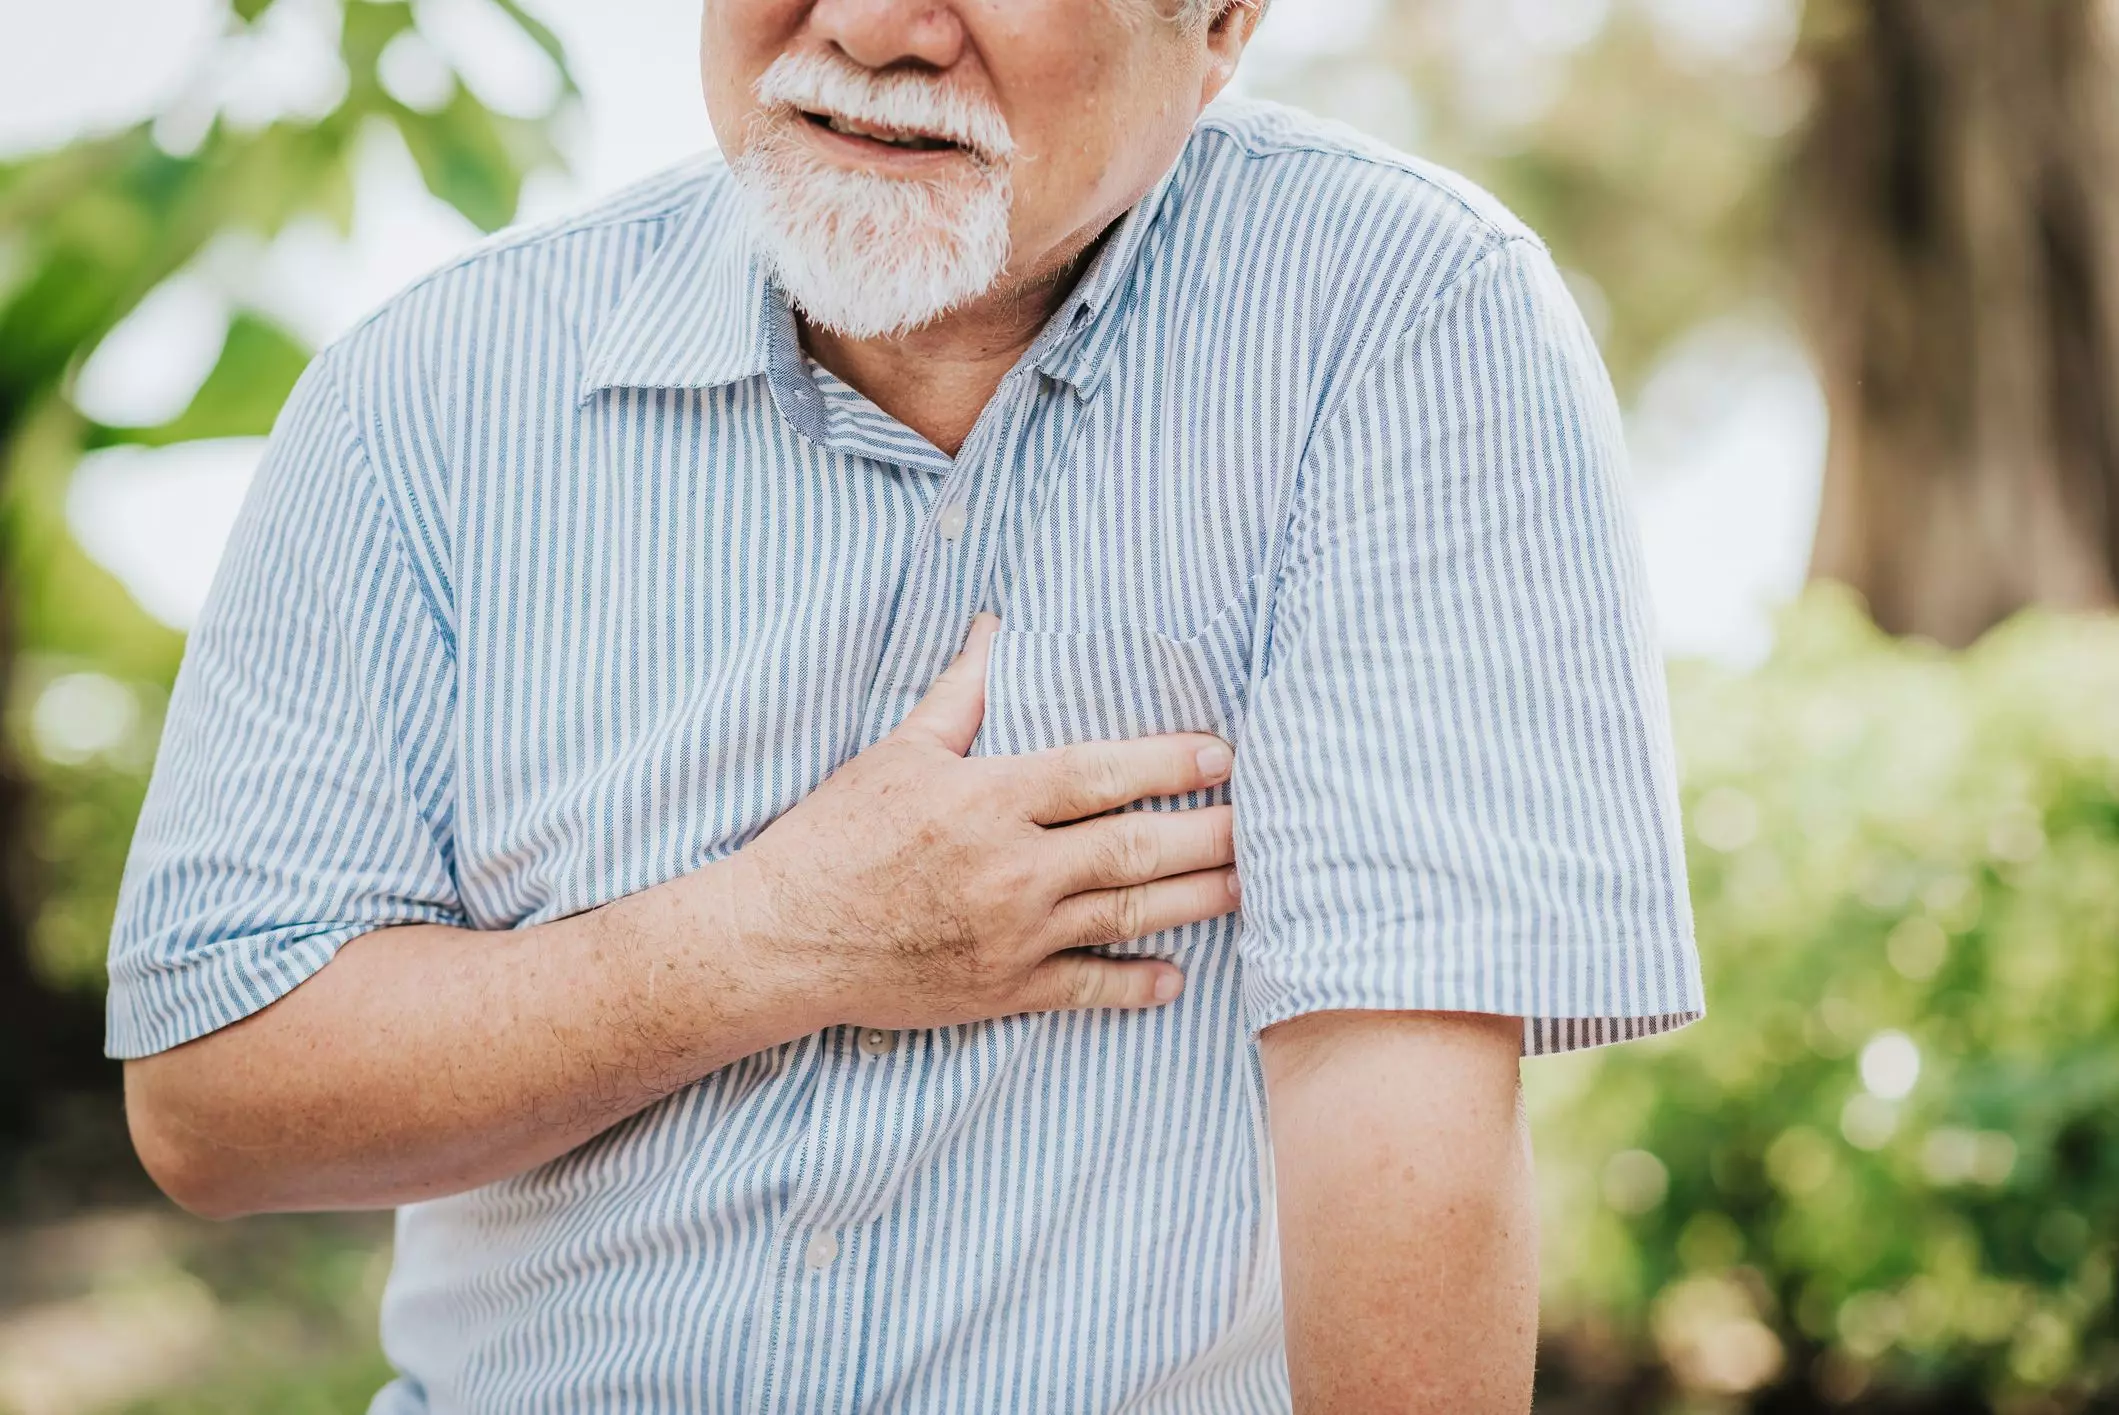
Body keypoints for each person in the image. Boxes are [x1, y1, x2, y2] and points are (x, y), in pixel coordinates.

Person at [107, 0, 1706, 1409]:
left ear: (1220, 23)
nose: (870, 24)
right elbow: (214, 1100)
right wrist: (775, 938)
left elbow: (1395, 1107)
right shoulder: (427, 394)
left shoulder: (1404, 322)